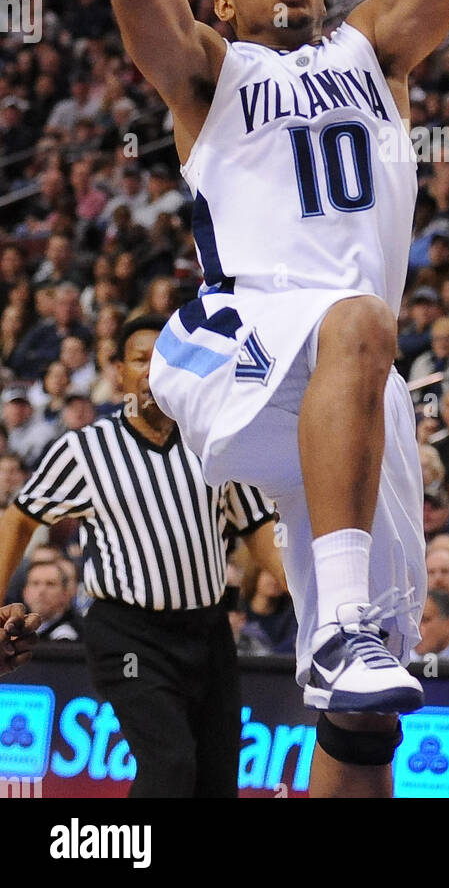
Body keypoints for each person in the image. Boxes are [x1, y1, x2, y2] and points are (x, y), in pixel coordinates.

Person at [111, 0, 449, 795]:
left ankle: (346, 642)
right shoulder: (216, 78)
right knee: (355, 318)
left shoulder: (374, 53)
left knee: (366, 728)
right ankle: (341, 630)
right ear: (220, 2)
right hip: (239, 338)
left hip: (355, 386)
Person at [0, 317, 283, 797]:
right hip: (130, 633)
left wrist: (311, 598)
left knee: (216, 781)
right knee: (169, 764)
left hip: (208, 629)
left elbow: (258, 530)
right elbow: (19, 519)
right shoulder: (85, 449)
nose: (153, 373)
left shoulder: (213, 443)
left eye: (166, 360)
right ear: (118, 371)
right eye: (140, 360)